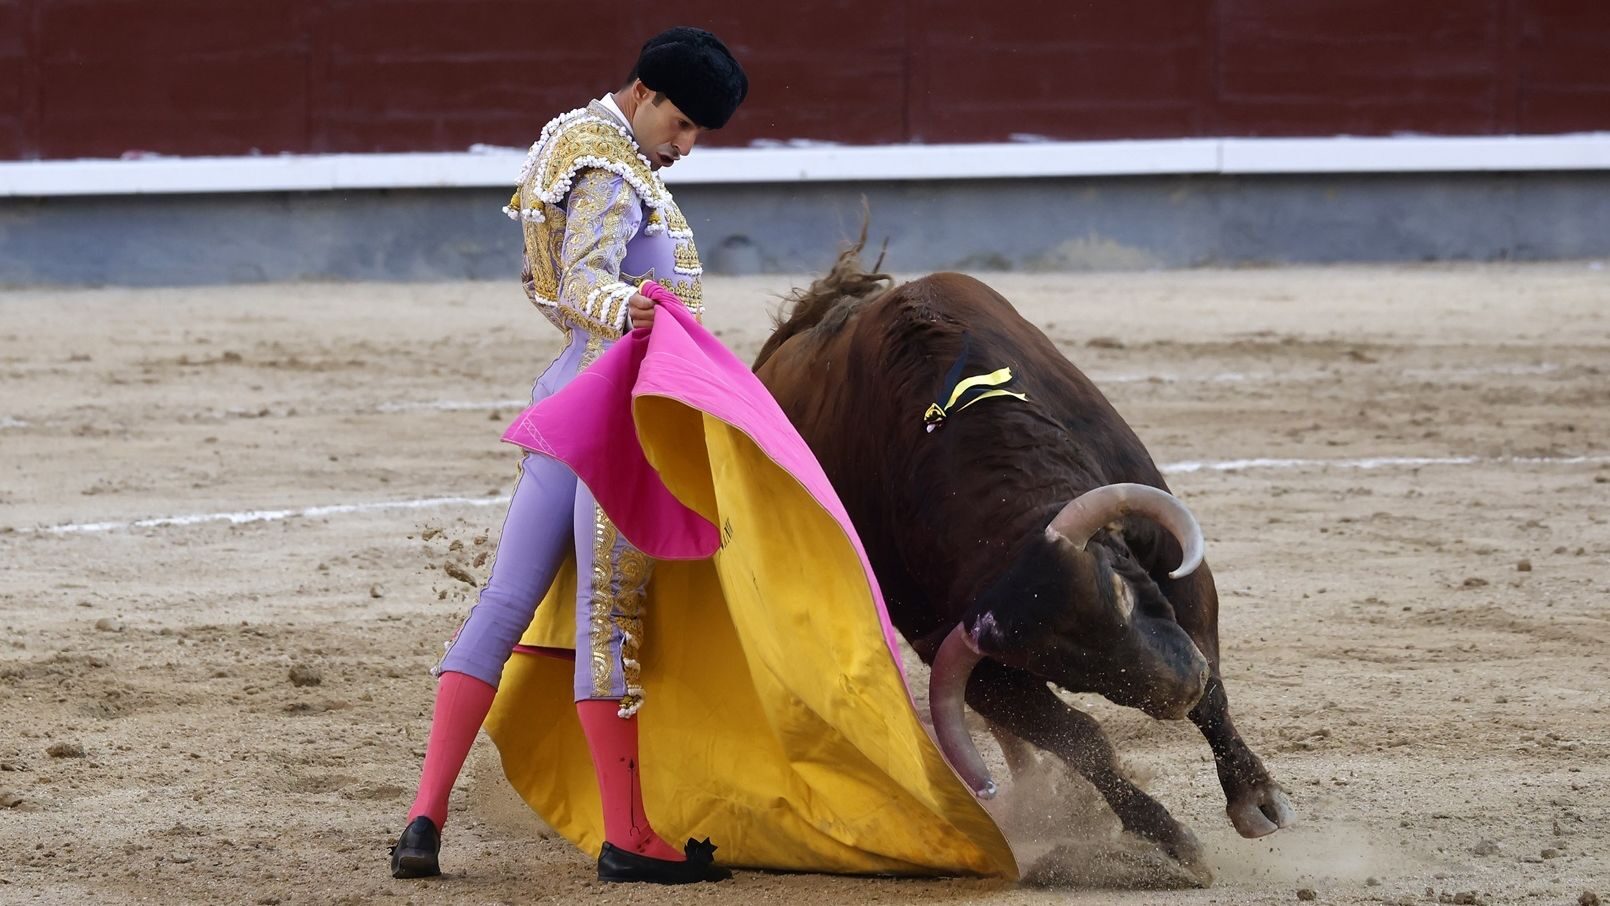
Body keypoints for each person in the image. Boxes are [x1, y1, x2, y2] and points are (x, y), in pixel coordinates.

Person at [389, 26, 747, 885]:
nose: (686, 146)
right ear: (644, 92)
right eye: (683, 124)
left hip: (568, 401)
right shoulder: (614, 170)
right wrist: (631, 310)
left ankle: (422, 822)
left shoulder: (574, 141)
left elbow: (549, 286)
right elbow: (585, 281)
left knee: (504, 602)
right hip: (618, 417)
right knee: (606, 617)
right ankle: (628, 836)